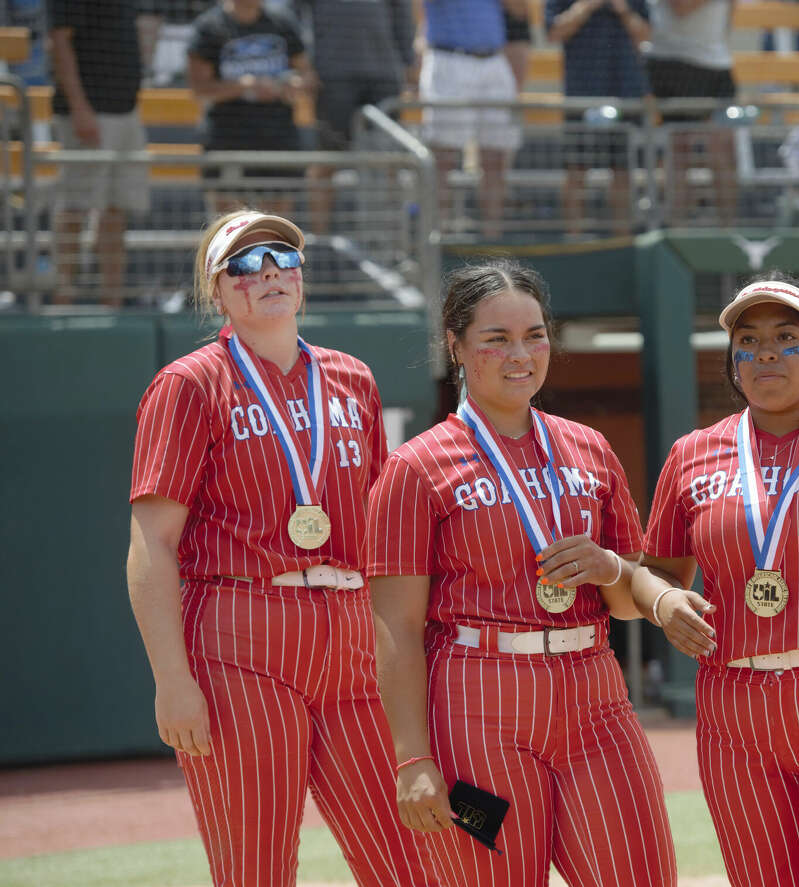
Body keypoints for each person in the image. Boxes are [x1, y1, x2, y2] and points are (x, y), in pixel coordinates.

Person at [126, 209, 434, 886]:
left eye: (283, 259)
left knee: (415, 853)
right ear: (217, 288)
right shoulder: (188, 385)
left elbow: (385, 534)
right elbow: (152, 540)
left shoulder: (352, 377)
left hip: (354, 638)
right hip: (243, 637)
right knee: (255, 866)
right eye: (245, 263)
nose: (269, 272)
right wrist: (171, 680)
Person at [366, 259, 676, 886]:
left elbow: (624, 599)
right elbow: (394, 626)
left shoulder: (589, 448)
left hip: (593, 695)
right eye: (496, 339)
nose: (521, 354)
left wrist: (607, 566)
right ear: (456, 346)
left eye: (535, 335)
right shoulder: (415, 467)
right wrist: (411, 758)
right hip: (477, 709)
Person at [631, 275, 799, 887]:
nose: (765, 352)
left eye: (786, 337)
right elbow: (657, 572)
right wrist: (663, 602)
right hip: (734, 710)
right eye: (748, 339)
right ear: (732, 360)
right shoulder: (692, 454)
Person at [49, 0, 151, 306]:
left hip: (125, 110)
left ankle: (113, 299)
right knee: (75, 204)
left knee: (114, 208)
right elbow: (58, 42)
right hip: (88, 112)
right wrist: (80, 108)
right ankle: (63, 294)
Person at [187, 0, 316, 215]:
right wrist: (245, 86)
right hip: (227, 141)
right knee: (229, 228)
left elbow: (307, 75)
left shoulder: (282, 22)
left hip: (277, 138)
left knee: (275, 228)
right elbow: (199, 89)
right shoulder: (210, 26)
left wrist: (293, 84)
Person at [297, 0, 414, 234]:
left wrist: (408, 65)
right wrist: (305, 66)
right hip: (332, 76)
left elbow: (402, 16)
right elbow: (293, 15)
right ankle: (321, 243)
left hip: (384, 76)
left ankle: (388, 242)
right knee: (327, 159)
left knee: (389, 160)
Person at [419, 0, 524, 239]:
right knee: (443, 158)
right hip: (448, 57)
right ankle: (438, 238)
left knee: (496, 157)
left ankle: (493, 238)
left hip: (494, 59)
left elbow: (520, 9)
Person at [545, 0, 650, 236]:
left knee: (623, 173)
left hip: (625, 92)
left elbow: (646, 35)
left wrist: (622, 10)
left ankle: (622, 243)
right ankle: (574, 241)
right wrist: (587, 6)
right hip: (581, 94)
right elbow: (554, 32)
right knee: (576, 170)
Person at [643, 0, 737, 226]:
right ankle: (677, 230)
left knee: (723, 148)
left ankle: (730, 230)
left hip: (716, 63)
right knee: (679, 150)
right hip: (675, 62)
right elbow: (681, 7)